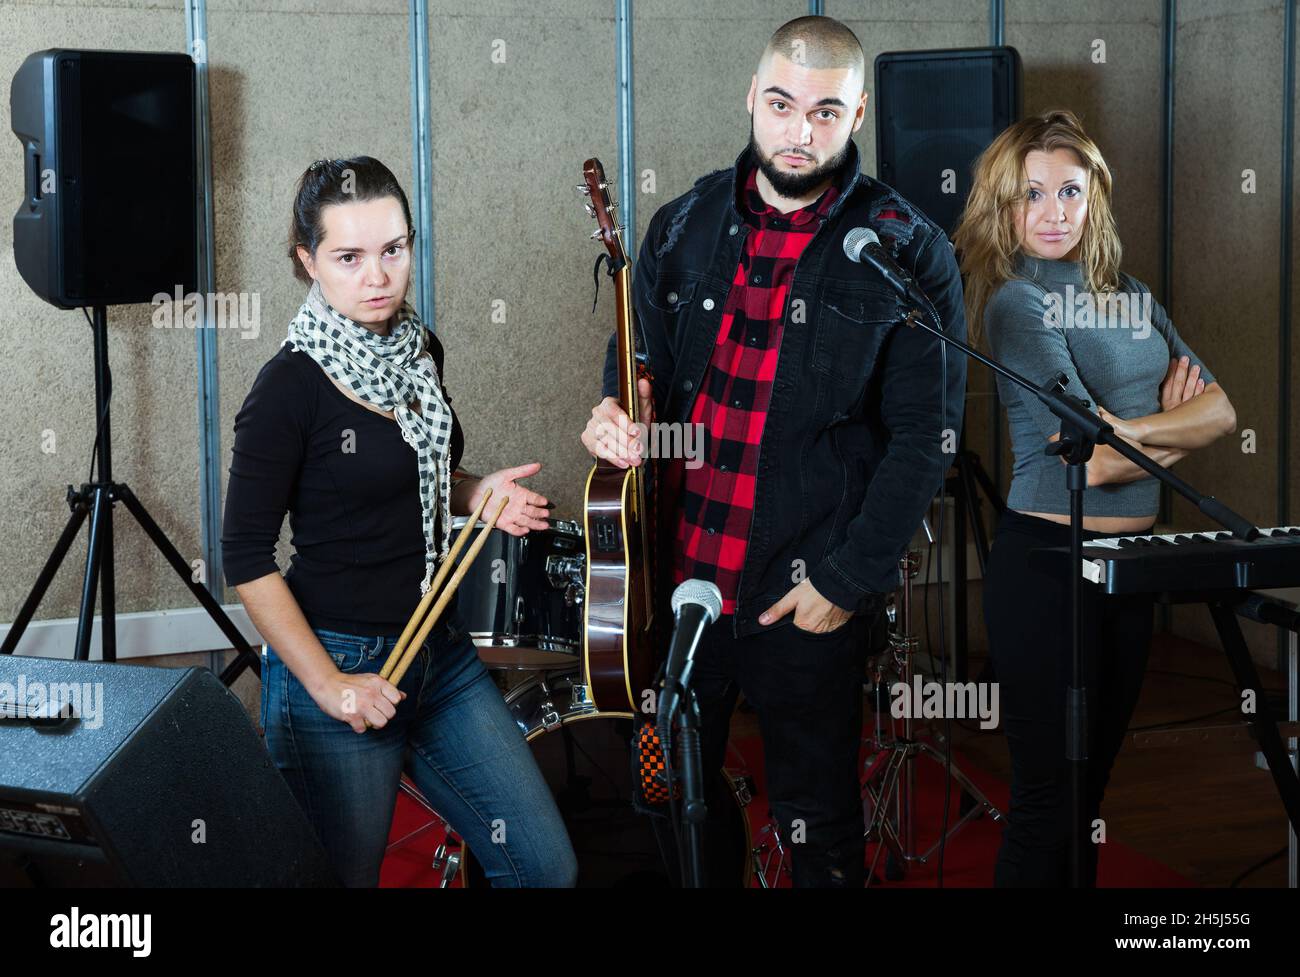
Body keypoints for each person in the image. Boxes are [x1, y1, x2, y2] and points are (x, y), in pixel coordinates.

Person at [581, 16, 967, 887]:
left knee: (817, 822)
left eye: (826, 112)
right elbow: (634, 376)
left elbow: (924, 439)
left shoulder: (909, 250)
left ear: (858, 112)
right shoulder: (680, 226)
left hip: (806, 587)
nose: (801, 132)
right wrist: (615, 415)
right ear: (752, 97)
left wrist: (844, 581)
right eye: (784, 104)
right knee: (667, 793)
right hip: (674, 586)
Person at [222, 156, 576, 887]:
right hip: (340, 659)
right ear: (307, 260)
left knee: (544, 868)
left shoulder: (418, 349)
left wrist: (475, 493)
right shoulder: (289, 388)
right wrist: (329, 685)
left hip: (437, 653)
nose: (377, 275)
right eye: (348, 256)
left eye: (394, 249)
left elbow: (412, 476)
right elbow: (246, 557)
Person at [952, 110, 1237, 886]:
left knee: (1092, 794)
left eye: (1070, 191)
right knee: (1049, 797)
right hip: (1048, 567)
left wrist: (1134, 427)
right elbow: (1091, 462)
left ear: (1094, 197)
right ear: (1006, 206)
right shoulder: (1019, 303)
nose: (1053, 213)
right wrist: (1168, 425)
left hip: (1131, 566)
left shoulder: (1133, 294)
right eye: (1032, 194)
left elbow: (1225, 412)